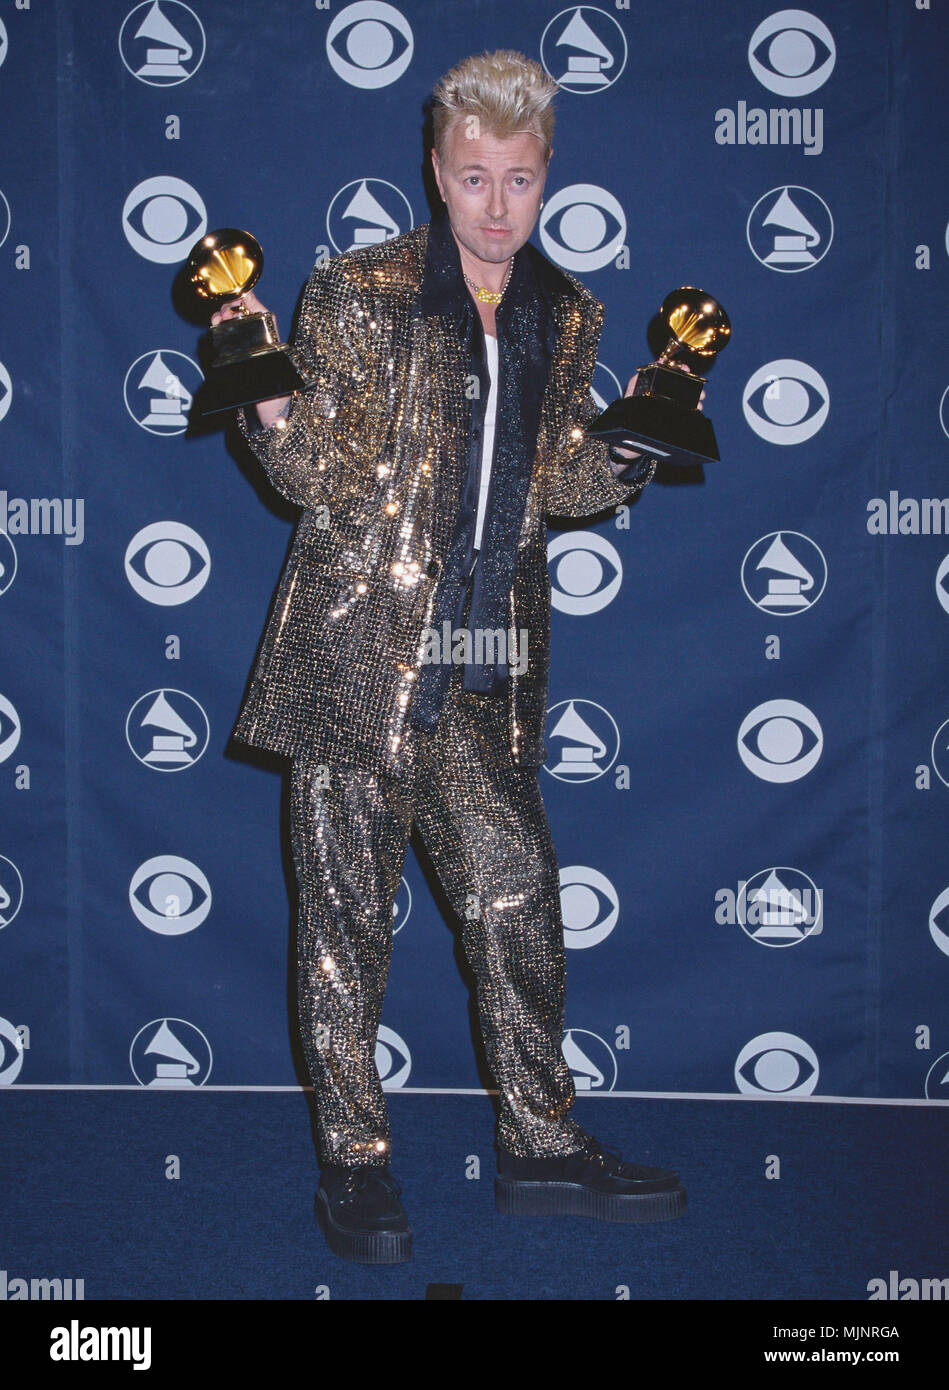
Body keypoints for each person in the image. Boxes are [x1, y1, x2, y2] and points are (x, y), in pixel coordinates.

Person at [214, 50, 685, 1266]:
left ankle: (540, 1141)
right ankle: (355, 1163)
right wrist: (266, 399)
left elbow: (552, 485)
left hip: (481, 662)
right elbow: (318, 478)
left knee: (520, 904)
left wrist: (632, 437)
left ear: (544, 179)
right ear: (436, 170)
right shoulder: (358, 292)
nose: (492, 206)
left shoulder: (565, 312)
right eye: (471, 177)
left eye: (517, 181)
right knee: (341, 931)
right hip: (356, 661)